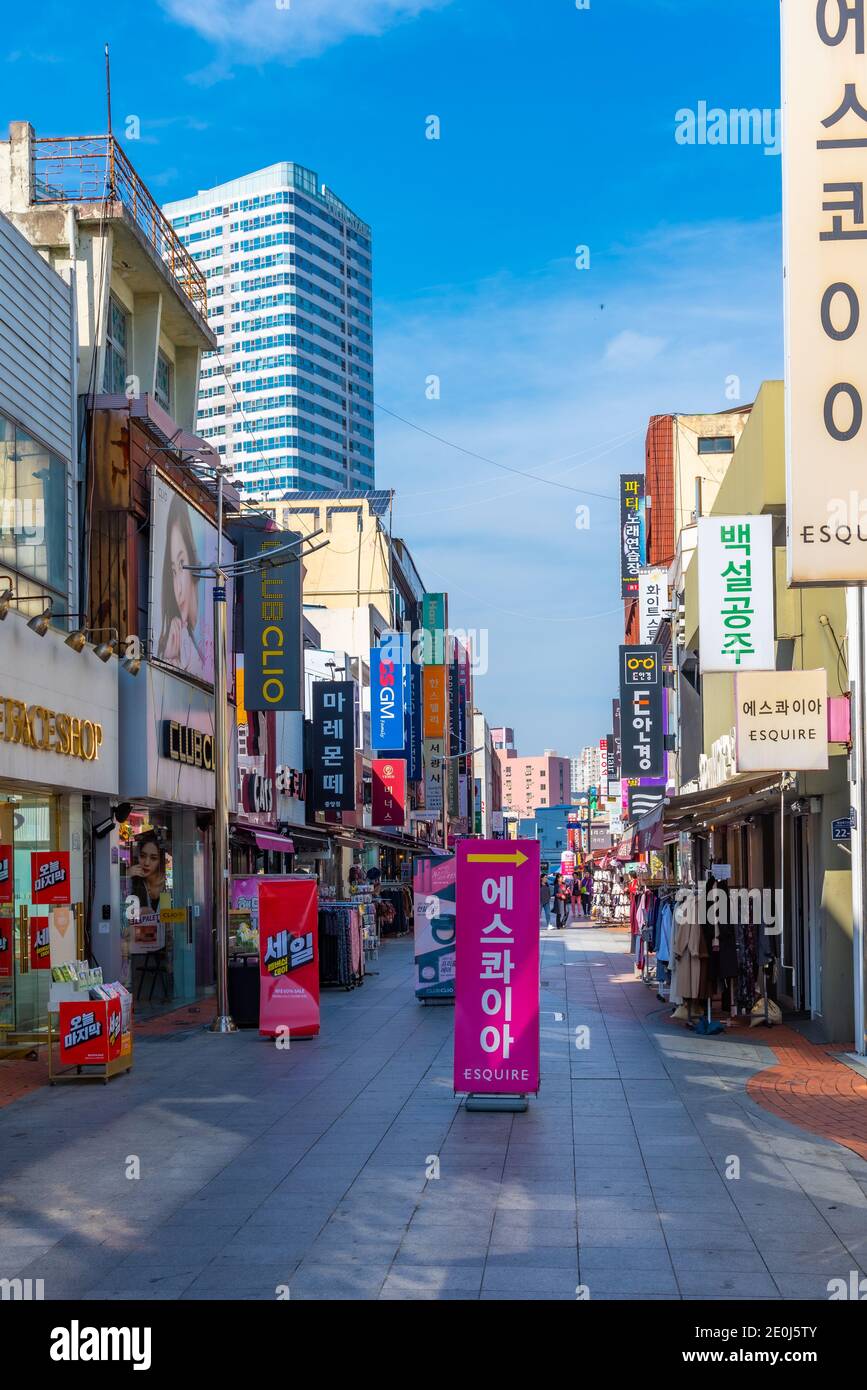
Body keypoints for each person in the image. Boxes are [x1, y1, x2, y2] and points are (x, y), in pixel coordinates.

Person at [158, 494, 207, 679]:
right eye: (173, 571)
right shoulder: (177, 644)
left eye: (181, 564)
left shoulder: (200, 651)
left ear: (193, 561)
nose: (177, 589)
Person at [129, 831, 168, 913]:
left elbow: (168, 920)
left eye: (153, 858)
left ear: (160, 861)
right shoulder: (133, 881)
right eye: (142, 856)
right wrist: (127, 877)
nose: (146, 863)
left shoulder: (166, 885)